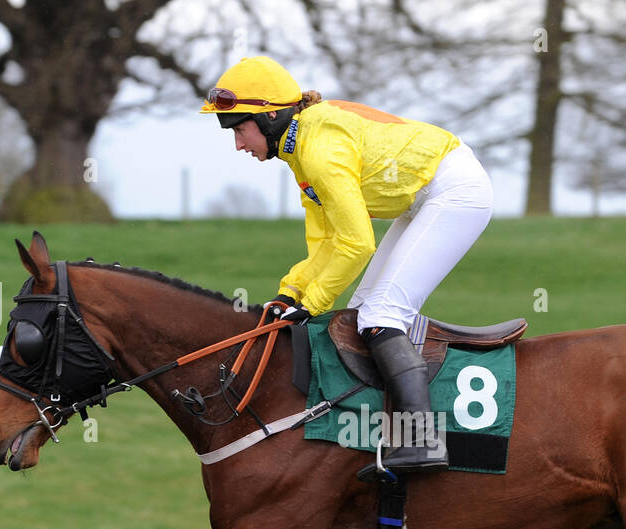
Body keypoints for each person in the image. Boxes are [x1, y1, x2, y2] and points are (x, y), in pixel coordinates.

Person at [200, 55, 494, 477]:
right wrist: (291, 292)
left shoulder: (318, 150)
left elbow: (357, 243)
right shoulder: (300, 150)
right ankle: (375, 433)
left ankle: (421, 440)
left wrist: (312, 303)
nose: (238, 145)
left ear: (269, 116)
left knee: (380, 315)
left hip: (454, 191)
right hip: (422, 197)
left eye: (239, 129)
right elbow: (326, 241)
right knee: (357, 317)